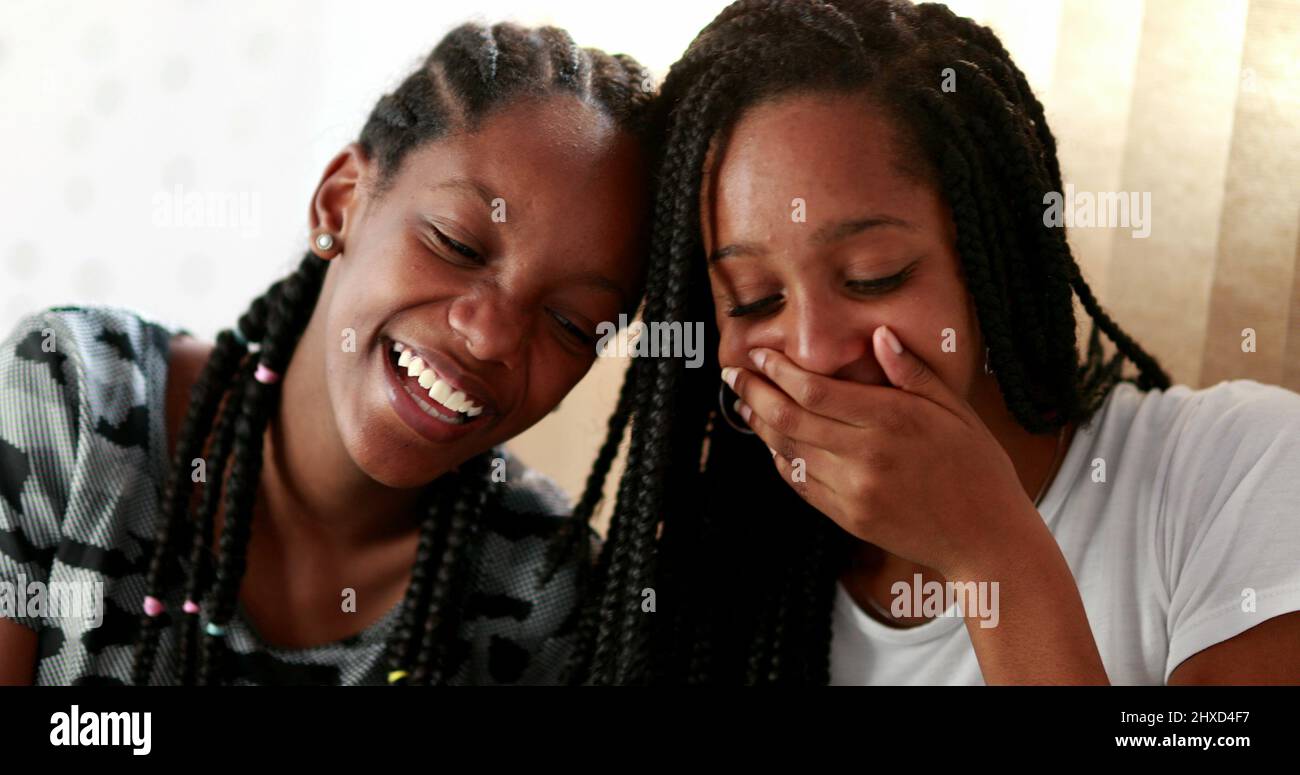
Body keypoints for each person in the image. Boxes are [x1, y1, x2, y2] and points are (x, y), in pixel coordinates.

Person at [564, 0, 1300, 685]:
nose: (816, 349)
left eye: (873, 276)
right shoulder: (714, 590)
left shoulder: (1242, 469)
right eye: (756, 298)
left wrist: (994, 556)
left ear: (991, 259)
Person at [0, 21, 655, 685]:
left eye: (572, 323)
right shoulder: (78, 401)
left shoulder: (549, 599)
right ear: (340, 202)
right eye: (456, 244)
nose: (490, 336)